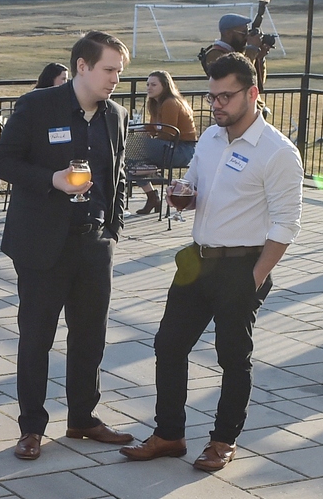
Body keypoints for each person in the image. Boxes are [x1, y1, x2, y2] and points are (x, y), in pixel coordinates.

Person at [121, 53, 303, 472]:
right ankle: (169, 434)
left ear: (252, 94)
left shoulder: (277, 152)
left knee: (232, 357)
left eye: (225, 96)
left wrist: (254, 279)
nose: (217, 104)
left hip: (243, 267)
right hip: (198, 262)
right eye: (211, 96)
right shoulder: (209, 138)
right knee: (168, 345)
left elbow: (286, 225)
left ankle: (223, 441)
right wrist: (184, 193)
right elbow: (197, 187)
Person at [0, 31, 134, 461]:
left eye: (119, 72)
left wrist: (113, 228)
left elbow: (119, 174)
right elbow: (1, 161)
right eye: (109, 70)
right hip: (41, 246)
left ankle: (83, 418)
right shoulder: (37, 105)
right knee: (36, 337)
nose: (115, 80)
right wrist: (50, 181)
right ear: (83, 67)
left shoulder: (117, 115)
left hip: (94, 245)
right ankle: (31, 427)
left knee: (91, 337)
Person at [134, 70, 198, 216]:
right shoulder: (156, 104)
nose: (149, 88)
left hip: (181, 149)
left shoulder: (170, 103)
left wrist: (146, 141)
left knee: (132, 149)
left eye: (154, 85)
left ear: (165, 86)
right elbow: (152, 129)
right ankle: (151, 195)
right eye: (148, 84)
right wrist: (139, 130)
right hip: (167, 146)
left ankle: (149, 175)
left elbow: (168, 133)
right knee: (131, 156)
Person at [200, 13, 271, 93]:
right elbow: (240, 77)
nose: (247, 37)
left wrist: (260, 58)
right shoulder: (215, 54)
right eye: (243, 33)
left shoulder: (238, 52)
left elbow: (256, 81)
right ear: (228, 33)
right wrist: (252, 49)